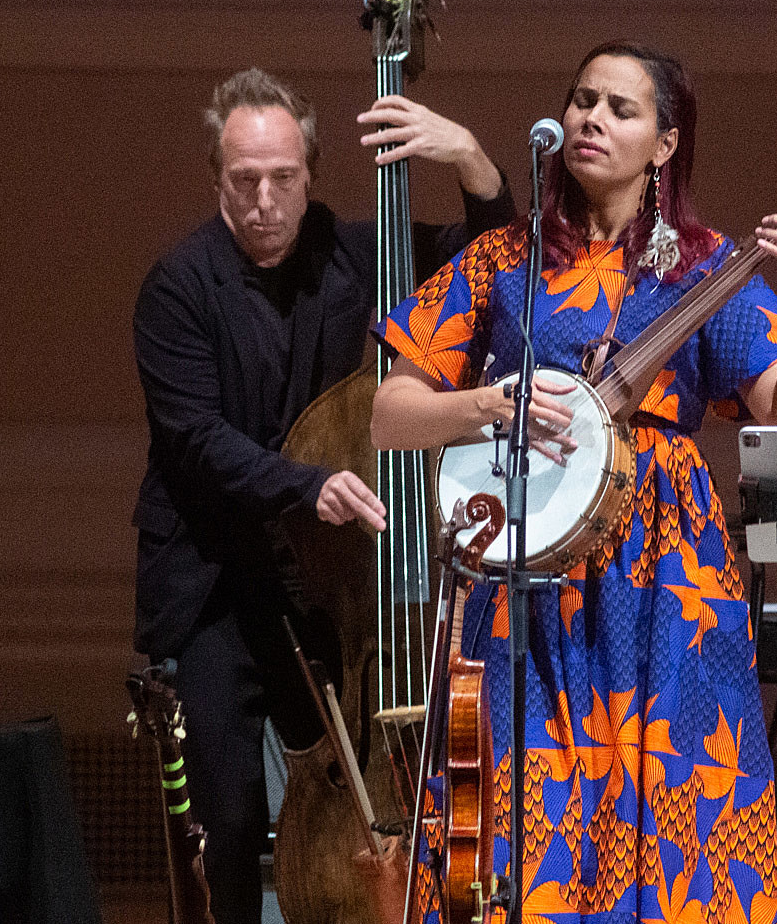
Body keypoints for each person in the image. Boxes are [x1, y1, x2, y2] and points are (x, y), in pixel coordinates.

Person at [372, 41, 777, 923]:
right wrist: (490, 405)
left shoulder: (704, 266)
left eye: (621, 107)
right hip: (523, 574)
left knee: (675, 788)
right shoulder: (504, 261)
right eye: (583, 100)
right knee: (520, 802)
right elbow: (392, 410)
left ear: (665, 144)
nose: (591, 118)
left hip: (667, 576)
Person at [132, 67, 514, 924]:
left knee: (361, 787)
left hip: (335, 585)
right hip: (218, 581)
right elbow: (196, 442)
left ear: (311, 171)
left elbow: (495, 270)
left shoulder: (359, 254)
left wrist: (475, 162)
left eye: (284, 178)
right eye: (244, 182)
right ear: (216, 179)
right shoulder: (178, 288)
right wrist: (308, 483)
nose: (265, 200)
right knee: (228, 817)